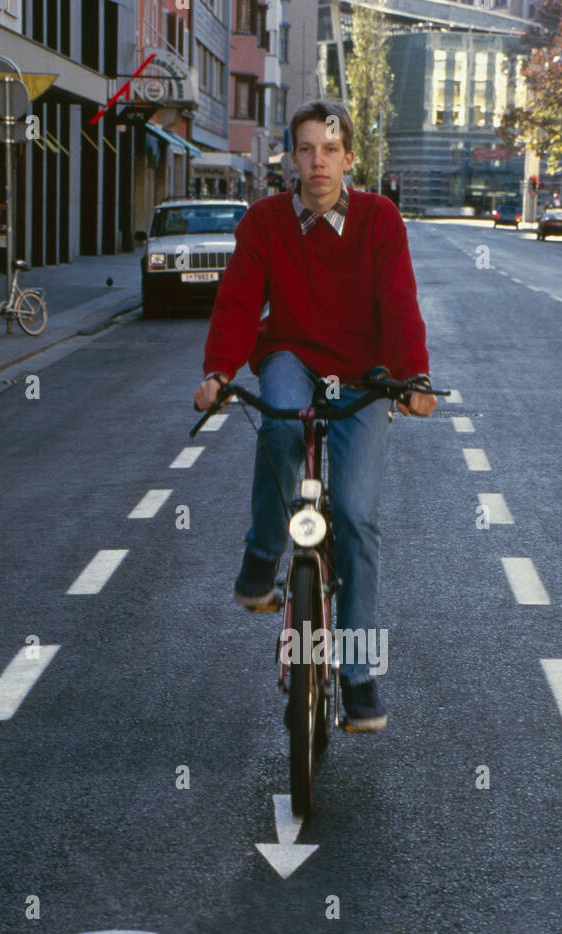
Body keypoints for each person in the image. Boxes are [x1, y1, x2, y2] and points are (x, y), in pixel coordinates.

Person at [193, 100, 435, 732]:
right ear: (291, 159)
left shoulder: (381, 220)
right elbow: (241, 298)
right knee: (276, 418)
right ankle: (261, 560)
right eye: (305, 149)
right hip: (293, 355)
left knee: (355, 517)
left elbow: (400, 302)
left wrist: (416, 378)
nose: (318, 161)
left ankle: (356, 674)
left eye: (329, 149)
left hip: (365, 372)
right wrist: (219, 372)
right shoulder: (265, 221)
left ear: (349, 157)